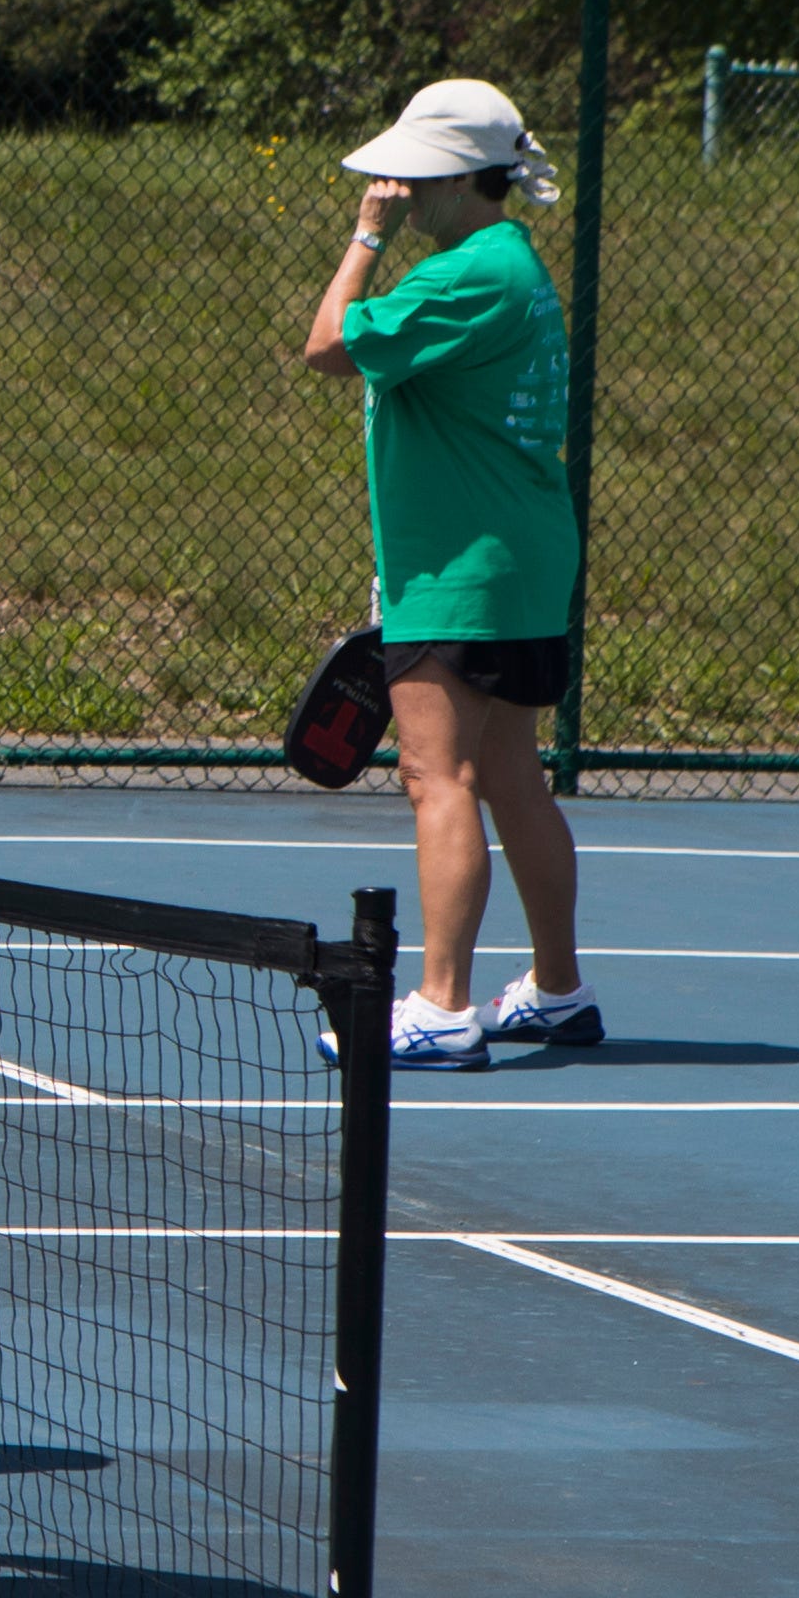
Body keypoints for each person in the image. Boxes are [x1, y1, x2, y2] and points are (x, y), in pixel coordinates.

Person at [300, 79, 597, 1069]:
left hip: (463, 575)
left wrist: (365, 235)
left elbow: (329, 343)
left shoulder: (467, 273)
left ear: (468, 177)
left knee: (437, 775)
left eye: (418, 172)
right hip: (517, 564)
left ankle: (438, 1004)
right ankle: (557, 991)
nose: (399, 185)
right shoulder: (509, 265)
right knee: (513, 778)